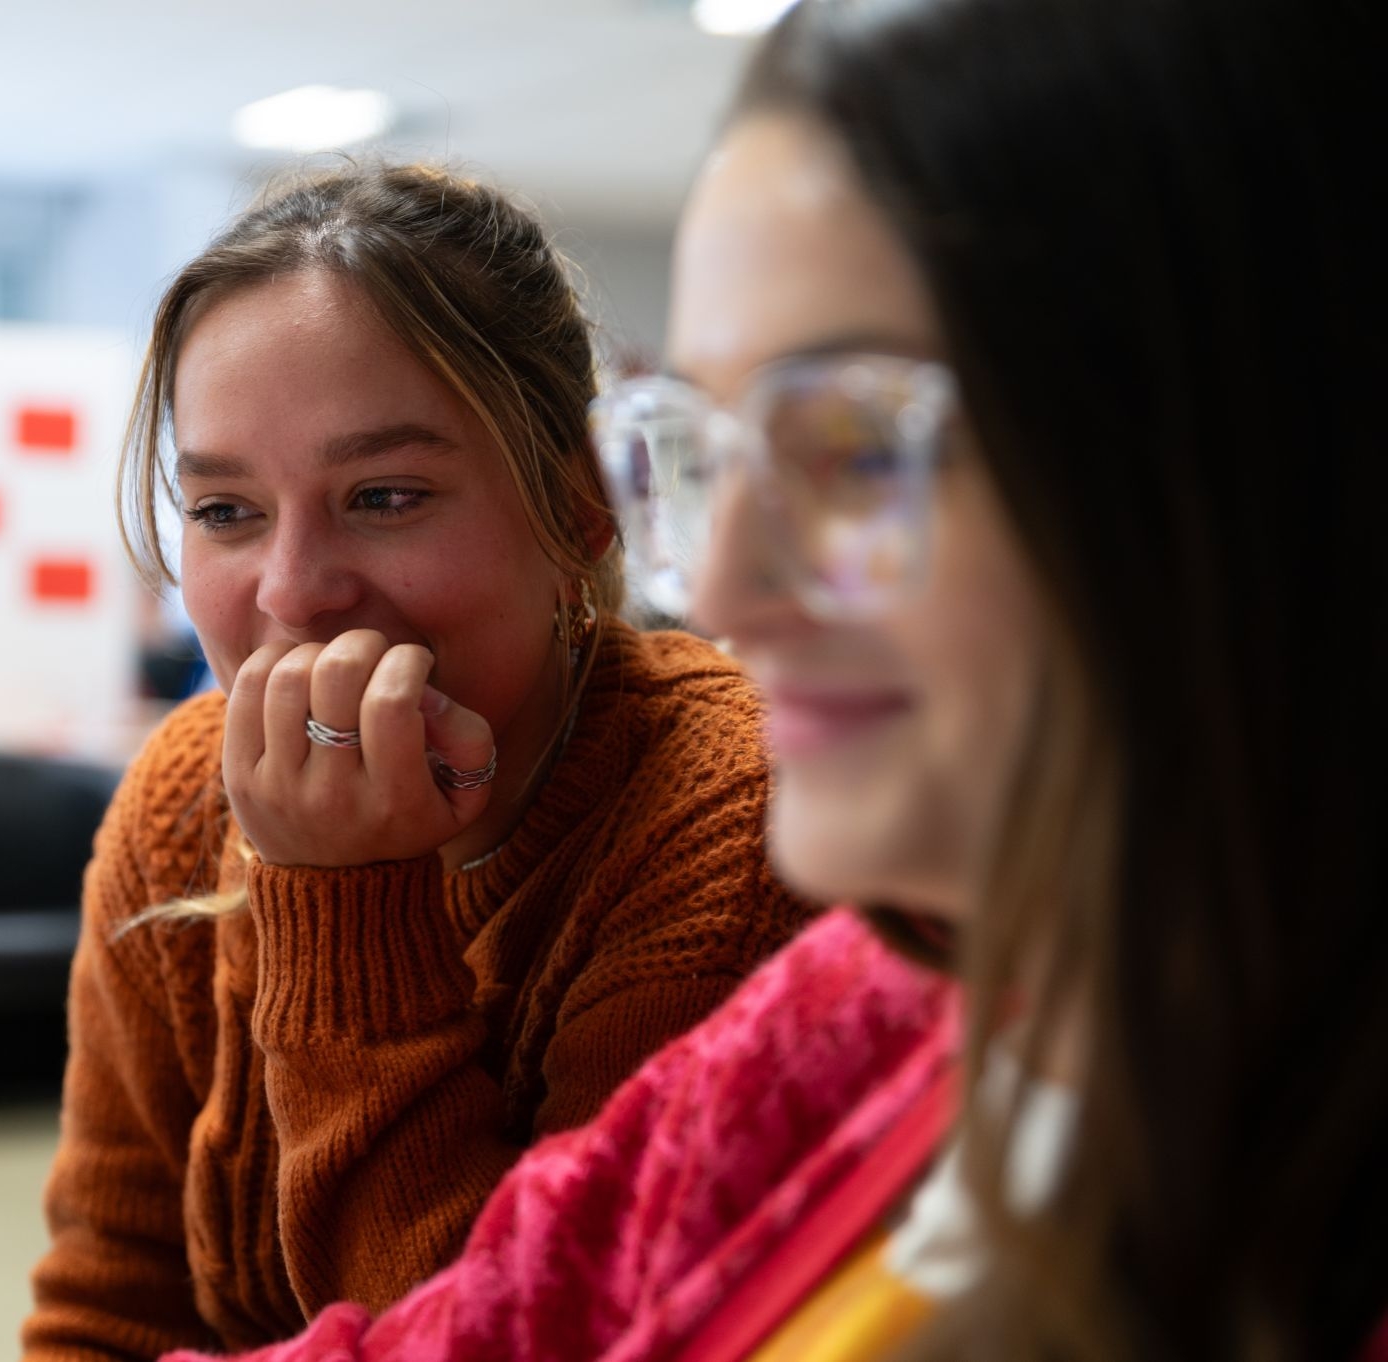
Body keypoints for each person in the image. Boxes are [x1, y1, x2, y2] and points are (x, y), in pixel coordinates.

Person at [155, 1, 1388, 1359]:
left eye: (853, 443)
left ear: (1260, 457)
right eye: (704, 447)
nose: (726, 590)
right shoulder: (887, 1005)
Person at [21, 165, 816, 1361]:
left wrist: (337, 900)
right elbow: (106, 1301)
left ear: (582, 507)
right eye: (226, 512)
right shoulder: (184, 796)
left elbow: (520, 1337)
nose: (292, 591)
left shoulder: (726, 817)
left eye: (383, 495)